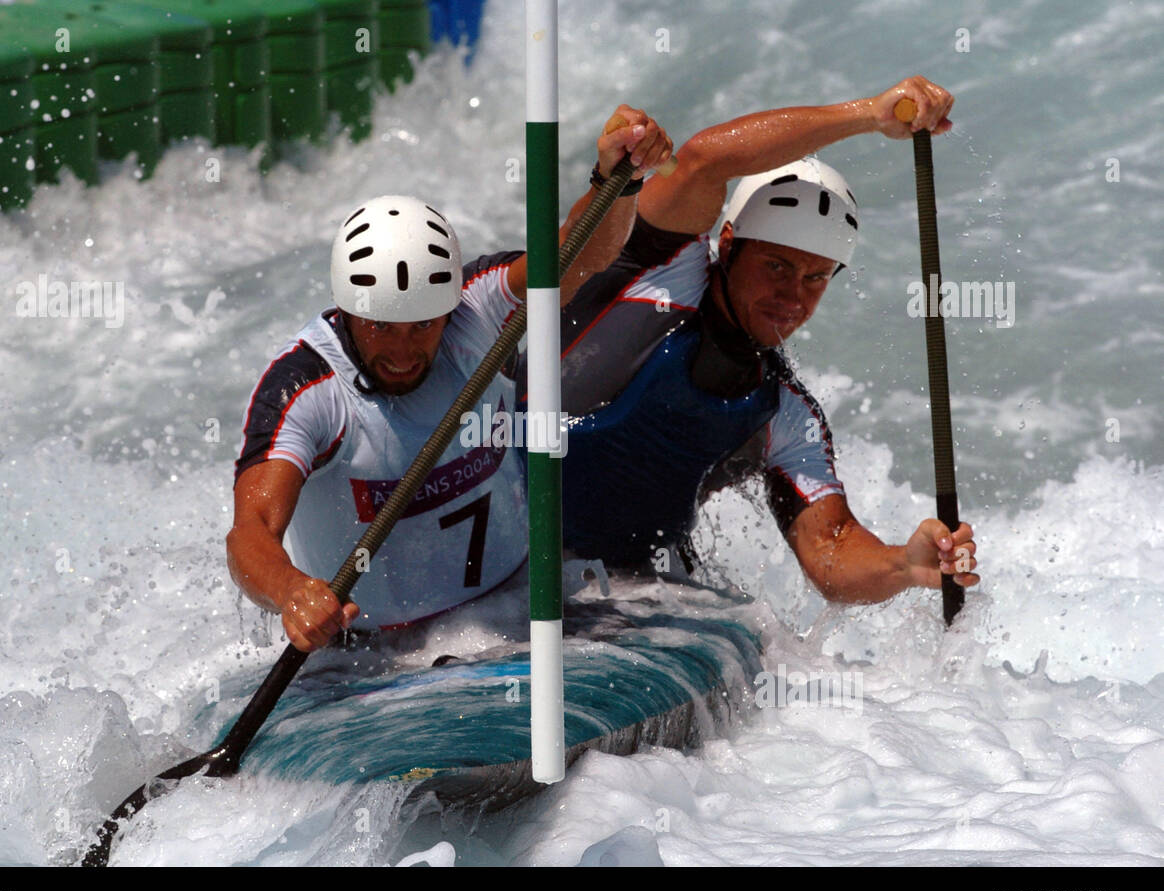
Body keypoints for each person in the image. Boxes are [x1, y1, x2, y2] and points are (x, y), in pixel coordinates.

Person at [227, 106, 675, 651]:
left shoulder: (478, 308)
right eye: (381, 328)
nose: (402, 350)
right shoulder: (305, 390)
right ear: (346, 312)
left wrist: (617, 180)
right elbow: (250, 534)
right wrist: (293, 591)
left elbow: (584, 255)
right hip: (374, 653)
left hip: (519, 607)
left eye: (423, 326)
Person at [551, 77, 980, 604]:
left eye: (816, 277)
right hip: (476, 542)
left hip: (611, 588)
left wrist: (904, 565)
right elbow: (704, 161)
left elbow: (832, 549)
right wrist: (870, 114)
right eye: (776, 266)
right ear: (727, 245)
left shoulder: (784, 414)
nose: (792, 296)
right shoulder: (652, 263)